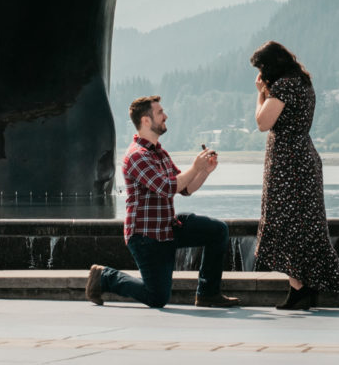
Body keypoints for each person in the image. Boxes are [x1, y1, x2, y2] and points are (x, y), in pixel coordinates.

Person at [85, 95, 240, 309]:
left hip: (168, 228)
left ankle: (208, 293)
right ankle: (104, 277)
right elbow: (166, 187)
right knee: (157, 297)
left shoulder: (160, 153)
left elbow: (185, 188)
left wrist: (204, 171)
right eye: (160, 112)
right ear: (146, 120)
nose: (165, 116)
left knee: (218, 230)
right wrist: (195, 167)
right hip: (146, 236)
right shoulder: (136, 156)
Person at [251, 40, 339, 310]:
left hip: (288, 165)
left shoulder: (282, 87)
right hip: (303, 159)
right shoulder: (303, 84)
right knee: (304, 224)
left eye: (261, 68)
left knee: (286, 223)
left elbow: (262, 122)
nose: (260, 74)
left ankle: (300, 289)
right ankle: (302, 287)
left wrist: (260, 94)